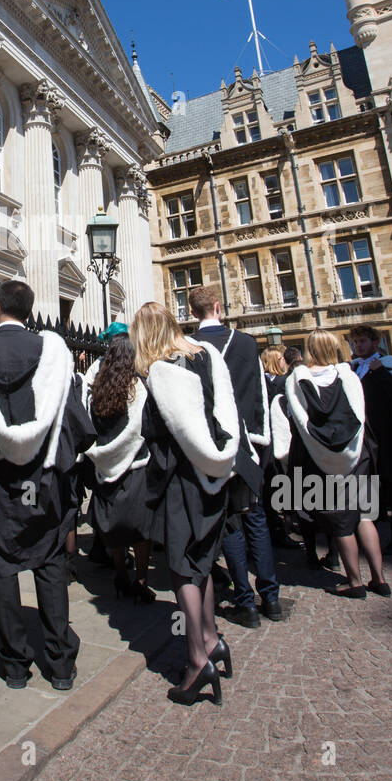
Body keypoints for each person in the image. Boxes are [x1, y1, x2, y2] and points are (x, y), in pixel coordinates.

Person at [0, 280, 94, 691]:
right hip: (42, 473)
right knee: (49, 561)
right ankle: (61, 662)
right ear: (30, 312)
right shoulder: (51, 354)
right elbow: (73, 421)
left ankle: (15, 663)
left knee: (0, 563)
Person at [132, 302, 237, 706]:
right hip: (214, 474)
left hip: (182, 479)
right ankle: (211, 639)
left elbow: (167, 433)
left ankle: (196, 659)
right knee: (203, 560)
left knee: (181, 568)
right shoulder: (204, 357)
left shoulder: (162, 370)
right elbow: (223, 411)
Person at [188, 286, 281, 627]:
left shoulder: (190, 348)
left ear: (193, 311)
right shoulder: (245, 343)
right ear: (218, 306)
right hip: (246, 442)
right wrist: (261, 444)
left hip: (213, 443)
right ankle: (270, 595)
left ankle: (246, 601)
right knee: (256, 518)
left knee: (229, 523)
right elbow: (260, 395)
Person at [285, 330, 389, 598]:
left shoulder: (298, 379)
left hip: (322, 457)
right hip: (357, 453)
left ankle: (354, 581)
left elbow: (298, 419)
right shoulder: (348, 376)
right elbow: (359, 414)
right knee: (365, 516)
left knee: (341, 521)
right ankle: (379, 579)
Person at [83, 334, 156, 604]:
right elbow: (145, 427)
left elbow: (92, 427)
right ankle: (141, 580)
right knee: (140, 528)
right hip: (136, 464)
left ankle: (121, 575)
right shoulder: (138, 388)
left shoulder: (97, 389)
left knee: (113, 527)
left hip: (105, 466)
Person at [349, 325, 392, 555]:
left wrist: (380, 373)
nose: (358, 346)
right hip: (367, 438)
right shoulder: (355, 367)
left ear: (376, 343)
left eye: (363, 341)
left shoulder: (388, 366)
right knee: (370, 487)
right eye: (356, 342)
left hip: (388, 437)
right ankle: (372, 534)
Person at [260, 349, 299, 550]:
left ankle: (288, 521)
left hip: (280, 438)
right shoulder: (278, 382)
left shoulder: (282, 381)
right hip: (277, 438)